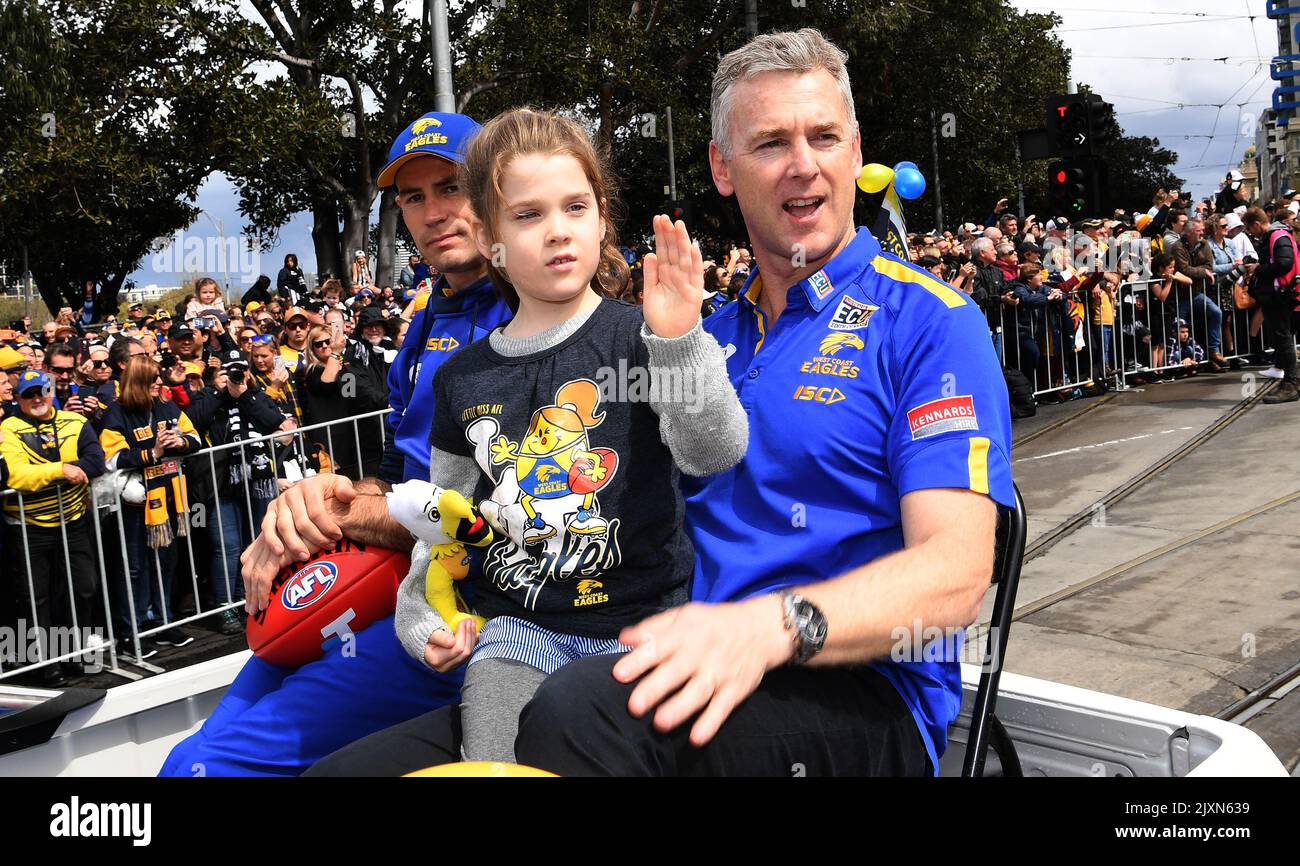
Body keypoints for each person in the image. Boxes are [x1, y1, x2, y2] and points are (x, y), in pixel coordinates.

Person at [311, 28, 1012, 777]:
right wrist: (358, 523)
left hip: (851, 689)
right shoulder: (697, 335)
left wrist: (769, 628)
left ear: (854, 149)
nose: (803, 164)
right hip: (654, 656)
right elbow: (518, 488)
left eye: (825, 137)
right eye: (771, 142)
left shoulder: (930, 322)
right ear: (722, 167)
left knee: (576, 715)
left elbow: (957, 573)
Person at [160, 111, 509, 777]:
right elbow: (392, 478)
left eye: (452, 187)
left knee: (211, 770)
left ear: (496, 186)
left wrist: (342, 512)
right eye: (414, 197)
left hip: (469, 618)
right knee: (186, 758)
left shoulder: (530, 315)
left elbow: (486, 523)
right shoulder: (423, 324)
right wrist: (315, 500)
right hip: (390, 586)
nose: (434, 212)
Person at [0, 370, 107, 686]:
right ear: (18, 398)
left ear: (50, 391)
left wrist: (55, 472)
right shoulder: (9, 428)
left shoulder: (75, 422)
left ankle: (78, 654)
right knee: (37, 598)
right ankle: (48, 664)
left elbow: (95, 461)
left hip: (73, 520)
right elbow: (17, 476)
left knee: (83, 587)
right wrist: (62, 469)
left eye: (41, 392)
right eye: (28, 394)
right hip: (29, 526)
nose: (36, 399)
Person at [99, 356, 202, 650]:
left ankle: (163, 622)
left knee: (165, 563)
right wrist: (152, 452)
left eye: (159, 377)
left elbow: (195, 438)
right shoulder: (116, 413)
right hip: (134, 505)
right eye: (153, 378)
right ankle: (134, 630)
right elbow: (111, 459)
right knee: (133, 568)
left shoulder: (166, 405)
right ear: (138, 382)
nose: (160, 382)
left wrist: (180, 443)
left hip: (168, 497)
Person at [1242, 207, 1299, 402]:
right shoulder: (1276, 236)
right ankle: (1290, 382)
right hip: (1276, 295)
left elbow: (1284, 263)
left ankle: (1290, 384)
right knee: (1282, 338)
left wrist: (1259, 268)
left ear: (1257, 224)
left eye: (1251, 229)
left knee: (1283, 338)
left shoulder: (1277, 236)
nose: (1252, 234)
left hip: (1280, 294)